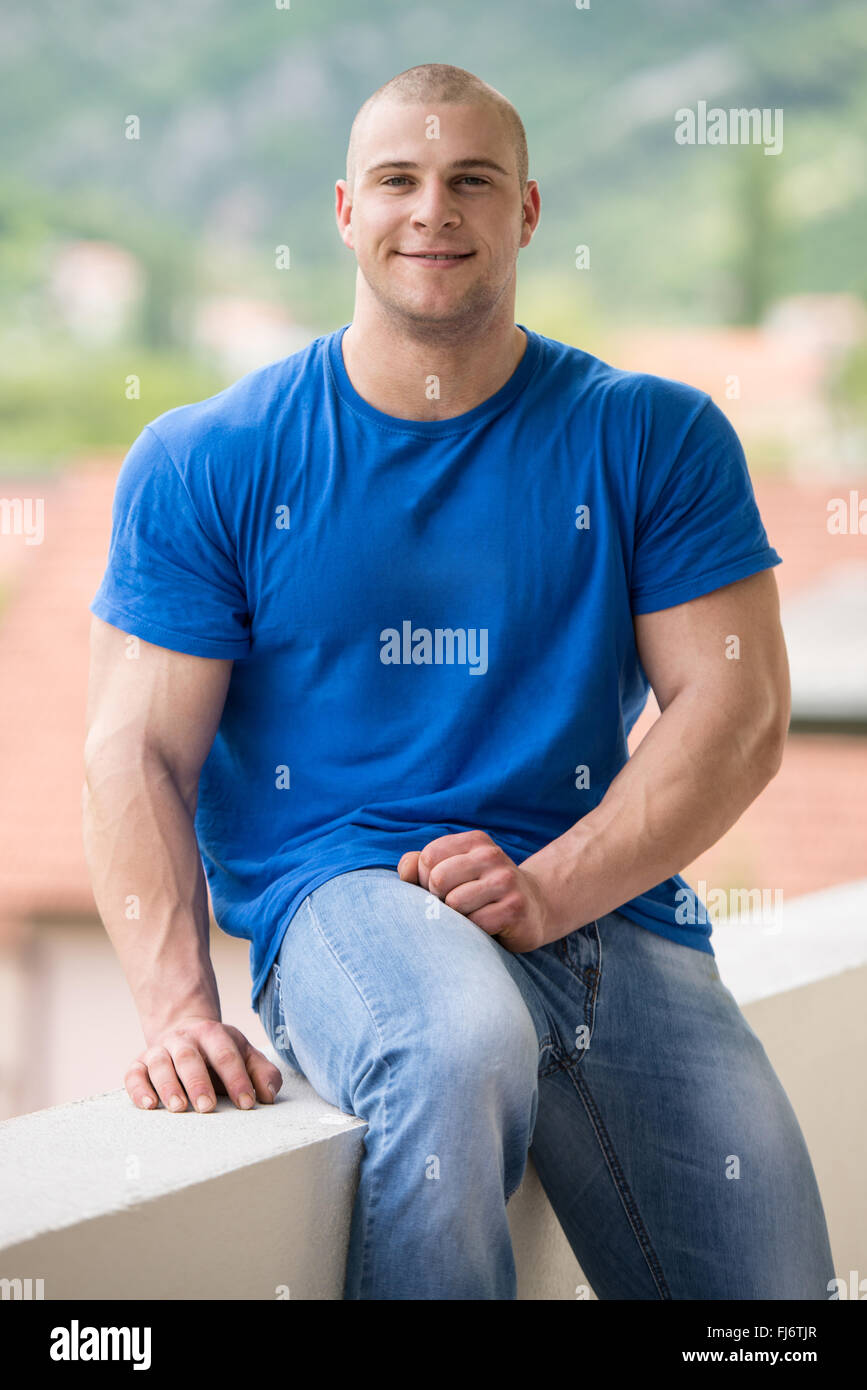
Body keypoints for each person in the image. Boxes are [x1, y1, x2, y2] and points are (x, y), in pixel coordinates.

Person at [83, 63, 835, 1300]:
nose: (433, 209)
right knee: (454, 1039)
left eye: (471, 181)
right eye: (399, 180)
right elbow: (136, 752)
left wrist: (546, 888)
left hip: (608, 910)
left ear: (526, 212)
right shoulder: (210, 457)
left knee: (774, 1307)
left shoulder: (653, 433)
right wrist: (180, 1011)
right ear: (344, 209)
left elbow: (739, 713)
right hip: (348, 895)